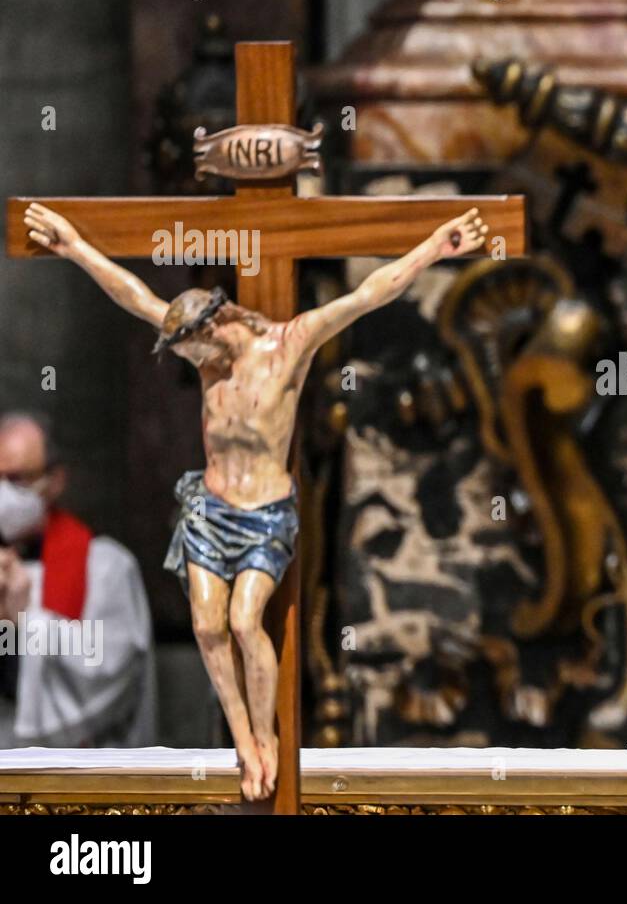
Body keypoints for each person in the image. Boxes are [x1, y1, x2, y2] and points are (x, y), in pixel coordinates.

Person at [23, 201, 488, 799]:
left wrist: (434, 248)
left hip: (264, 513)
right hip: (209, 508)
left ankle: (265, 733)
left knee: (245, 622)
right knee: (206, 625)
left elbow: (368, 295)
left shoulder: (288, 345)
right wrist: (73, 247)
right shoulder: (198, 346)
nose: (197, 367)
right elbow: (134, 296)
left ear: (216, 326)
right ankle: (243, 740)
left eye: (197, 354)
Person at [0, 412, 156, 748]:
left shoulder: (106, 566)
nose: (3, 493)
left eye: (16, 479)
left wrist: (25, 619)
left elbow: (111, 675)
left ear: (55, 480)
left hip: (83, 769)